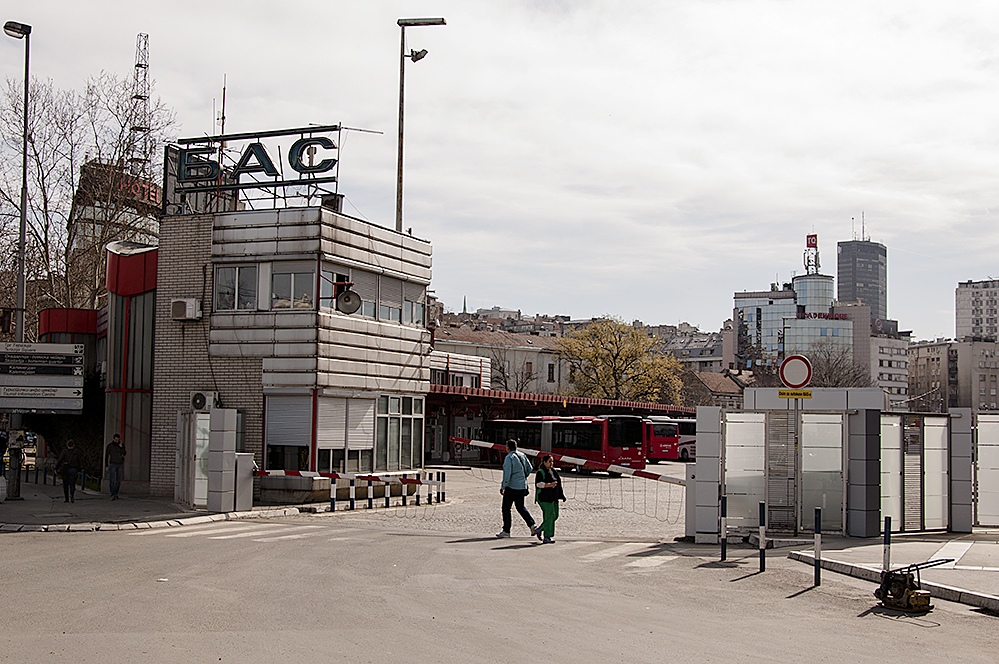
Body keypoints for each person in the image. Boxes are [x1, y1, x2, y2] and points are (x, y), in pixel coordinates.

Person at [496, 439, 538, 539]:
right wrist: (523, 477)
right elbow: (530, 468)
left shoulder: (509, 458)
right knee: (520, 507)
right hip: (522, 486)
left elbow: (507, 474)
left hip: (511, 487)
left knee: (506, 508)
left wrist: (503, 486)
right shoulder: (522, 455)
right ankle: (532, 525)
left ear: (507, 448)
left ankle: (506, 530)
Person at [534, 454, 566, 544]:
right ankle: (547, 537)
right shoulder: (541, 472)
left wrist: (561, 495)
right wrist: (549, 485)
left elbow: (558, 484)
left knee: (555, 516)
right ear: (544, 462)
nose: (551, 463)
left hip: (554, 498)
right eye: (549, 461)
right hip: (544, 498)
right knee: (549, 516)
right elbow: (538, 484)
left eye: (552, 461)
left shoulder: (553, 471)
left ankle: (539, 529)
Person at [55, 439, 83, 503]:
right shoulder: (76, 452)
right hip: (74, 469)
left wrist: (56, 468)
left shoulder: (64, 452)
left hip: (65, 469)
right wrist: (79, 470)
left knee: (65, 484)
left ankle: (66, 498)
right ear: (73, 445)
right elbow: (79, 461)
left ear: (67, 445)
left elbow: (60, 460)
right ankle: (72, 496)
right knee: (72, 484)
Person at [104, 433, 127, 500]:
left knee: (118, 480)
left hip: (119, 464)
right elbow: (107, 456)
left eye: (118, 440)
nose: (117, 441)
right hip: (113, 463)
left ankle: (115, 493)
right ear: (113, 439)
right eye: (116, 440)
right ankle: (112, 494)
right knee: (112, 479)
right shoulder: (110, 446)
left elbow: (124, 453)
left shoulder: (121, 445)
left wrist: (121, 447)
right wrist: (106, 465)